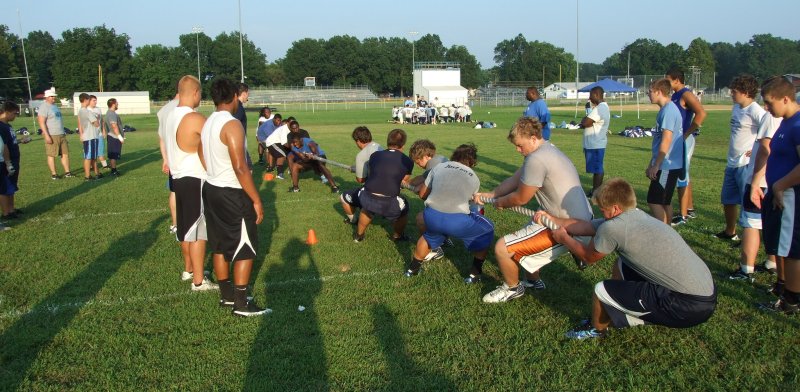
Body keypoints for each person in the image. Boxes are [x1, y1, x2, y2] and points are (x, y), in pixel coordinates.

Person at [540, 178, 716, 340]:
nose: (600, 212)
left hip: (687, 307)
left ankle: (597, 329)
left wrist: (564, 238)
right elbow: (585, 226)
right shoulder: (636, 216)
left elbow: (588, 257)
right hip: (707, 295)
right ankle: (622, 304)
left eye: (603, 209)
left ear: (616, 208)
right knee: (621, 264)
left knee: (600, 291)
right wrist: (550, 219)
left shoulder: (614, 228)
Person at [473, 117, 593, 303]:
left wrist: (501, 202)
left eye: (520, 145)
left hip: (567, 226)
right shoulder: (547, 150)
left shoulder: (537, 159)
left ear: (534, 138)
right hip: (569, 218)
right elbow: (514, 180)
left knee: (503, 248)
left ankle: (512, 288)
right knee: (525, 235)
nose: (517, 149)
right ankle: (533, 281)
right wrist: (489, 194)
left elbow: (521, 198)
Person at [200, 77, 268, 316]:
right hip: (231, 192)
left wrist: (213, 171)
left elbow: (201, 151)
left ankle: (226, 296)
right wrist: (256, 200)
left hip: (211, 188)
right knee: (245, 245)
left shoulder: (208, 122)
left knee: (218, 245)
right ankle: (241, 303)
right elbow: (240, 168)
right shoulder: (232, 124)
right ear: (233, 97)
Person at [404, 143, 494, 282]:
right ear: (472, 161)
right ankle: (474, 273)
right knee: (487, 229)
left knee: (428, 236)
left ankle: (412, 270)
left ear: (454, 156)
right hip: (456, 220)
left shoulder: (439, 167)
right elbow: (470, 203)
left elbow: (422, 194)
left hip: (431, 216)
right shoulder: (474, 177)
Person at [751, 76, 800, 315]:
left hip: (791, 196)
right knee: (782, 247)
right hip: (780, 194)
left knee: (792, 251)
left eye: (769, 103)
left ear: (785, 98)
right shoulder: (786, 122)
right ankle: (783, 289)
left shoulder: (798, 124)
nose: (767, 108)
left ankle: (791, 301)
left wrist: (780, 186)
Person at [165, 75, 217, 291]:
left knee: (185, 228)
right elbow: (214, 141)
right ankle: (198, 280)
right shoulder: (194, 118)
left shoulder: (170, 116)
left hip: (178, 178)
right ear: (195, 93)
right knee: (198, 231)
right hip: (194, 178)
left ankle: (189, 269)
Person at [729, 108, 781, 282]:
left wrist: (755, 182)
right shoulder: (791, 120)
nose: (765, 105)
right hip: (777, 181)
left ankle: (746, 270)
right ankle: (771, 262)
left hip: (761, 182)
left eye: (767, 100)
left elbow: (766, 148)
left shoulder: (770, 117)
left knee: (751, 223)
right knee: (772, 224)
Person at [716, 75, 765, 241]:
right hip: (732, 162)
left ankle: (748, 238)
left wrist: (755, 148)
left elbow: (768, 130)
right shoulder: (736, 107)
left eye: (734, 91)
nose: (731, 94)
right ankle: (730, 232)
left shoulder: (756, 110)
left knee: (746, 203)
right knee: (728, 200)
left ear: (745, 93)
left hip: (746, 165)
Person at [353, 129, 413, 243]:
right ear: (403, 145)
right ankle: (397, 236)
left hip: (366, 197)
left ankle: (359, 235)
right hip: (388, 202)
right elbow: (404, 180)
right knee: (404, 208)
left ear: (387, 142)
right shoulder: (407, 161)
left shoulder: (375, 155)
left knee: (367, 209)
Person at [667, 69, 706, 225]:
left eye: (668, 80)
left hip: (684, 139)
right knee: (684, 174)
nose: (666, 82)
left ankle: (683, 215)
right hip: (677, 139)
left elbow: (701, 113)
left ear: (677, 80)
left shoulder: (685, 94)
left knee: (681, 175)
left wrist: (687, 133)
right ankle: (688, 209)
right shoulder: (675, 95)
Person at [645, 79, 684, 225]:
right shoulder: (666, 110)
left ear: (659, 92)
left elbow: (666, 140)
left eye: (650, 91)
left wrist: (657, 165)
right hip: (666, 164)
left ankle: (663, 232)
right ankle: (668, 231)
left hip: (667, 165)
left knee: (654, 201)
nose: (648, 94)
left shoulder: (668, 111)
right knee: (665, 202)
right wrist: (652, 163)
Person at [340, 126, 383, 225]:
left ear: (358, 141)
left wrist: (358, 170)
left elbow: (360, 179)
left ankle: (353, 220)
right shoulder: (378, 146)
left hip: (375, 191)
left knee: (343, 197)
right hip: (388, 188)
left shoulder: (361, 155)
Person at [579, 86, 610, 196]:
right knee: (596, 169)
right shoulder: (598, 108)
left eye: (591, 95)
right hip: (593, 144)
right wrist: (585, 120)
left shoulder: (600, 108)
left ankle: (596, 192)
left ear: (596, 95)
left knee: (598, 169)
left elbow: (585, 122)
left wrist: (584, 121)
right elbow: (586, 121)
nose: (589, 98)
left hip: (596, 144)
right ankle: (595, 190)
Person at [37, 88, 73, 179]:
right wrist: (47, 135)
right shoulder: (44, 107)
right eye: (52, 96)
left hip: (61, 133)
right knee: (51, 154)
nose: (53, 98)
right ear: (47, 97)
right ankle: (54, 174)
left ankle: (67, 172)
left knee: (65, 153)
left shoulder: (55, 106)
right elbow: (41, 122)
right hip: (52, 134)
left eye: (54, 96)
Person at [158, 93, 179, 236]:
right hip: (184, 159)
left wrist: (165, 159)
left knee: (174, 191)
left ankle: (175, 224)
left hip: (172, 158)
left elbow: (161, 137)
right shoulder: (183, 107)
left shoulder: (163, 110)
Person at [0, 101, 26, 220]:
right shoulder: (1, 126)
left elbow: (10, 142)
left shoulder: (8, 126)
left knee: (12, 186)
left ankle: (11, 208)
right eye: (15, 113)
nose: (15, 116)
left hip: (14, 158)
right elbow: (4, 146)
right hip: (7, 160)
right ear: (7, 112)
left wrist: (21, 140)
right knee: (6, 187)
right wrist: (8, 162)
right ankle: (6, 212)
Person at [77, 93, 102, 181]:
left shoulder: (80, 111)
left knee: (91, 156)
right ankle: (87, 176)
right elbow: (96, 123)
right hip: (91, 136)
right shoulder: (87, 111)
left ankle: (97, 173)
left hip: (87, 135)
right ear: (86, 100)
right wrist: (97, 118)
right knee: (89, 157)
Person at [233, 82, 252, 169]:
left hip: (237, 144)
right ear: (244, 93)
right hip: (238, 144)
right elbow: (233, 125)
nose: (248, 96)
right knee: (248, 169)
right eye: (248, 93)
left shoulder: (236, 106)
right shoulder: (239, 108)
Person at [263, 114, 289, 179]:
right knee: (282, 155)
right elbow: (284, 142)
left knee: (286, 153)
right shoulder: (284, 128)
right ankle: (279, 174)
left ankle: (271, 167)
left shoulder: (288, 129)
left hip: (277, 142)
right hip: (272, 142)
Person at [104, 98, 124, 176]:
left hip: (113, 136)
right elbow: (114, 125)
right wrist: (119, 136)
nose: (117, 104)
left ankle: (114, 169)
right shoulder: (111, 113)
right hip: (114, 136)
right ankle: (113, 171)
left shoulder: (111, 113)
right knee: (113, 154)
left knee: (114, 154)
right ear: (113, 104)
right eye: (116, 103)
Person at [89, 95, 108, 170]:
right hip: (90, 134)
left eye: (96, 100)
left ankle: (105, 165)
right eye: (94, 100)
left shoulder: (98, 109)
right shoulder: (87, 110)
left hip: (99, 133)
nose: (95, 102)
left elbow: (102, 120)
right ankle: (91, 166)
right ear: (89, 101)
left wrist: (103, 130)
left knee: (101, 150)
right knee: (91, 152)